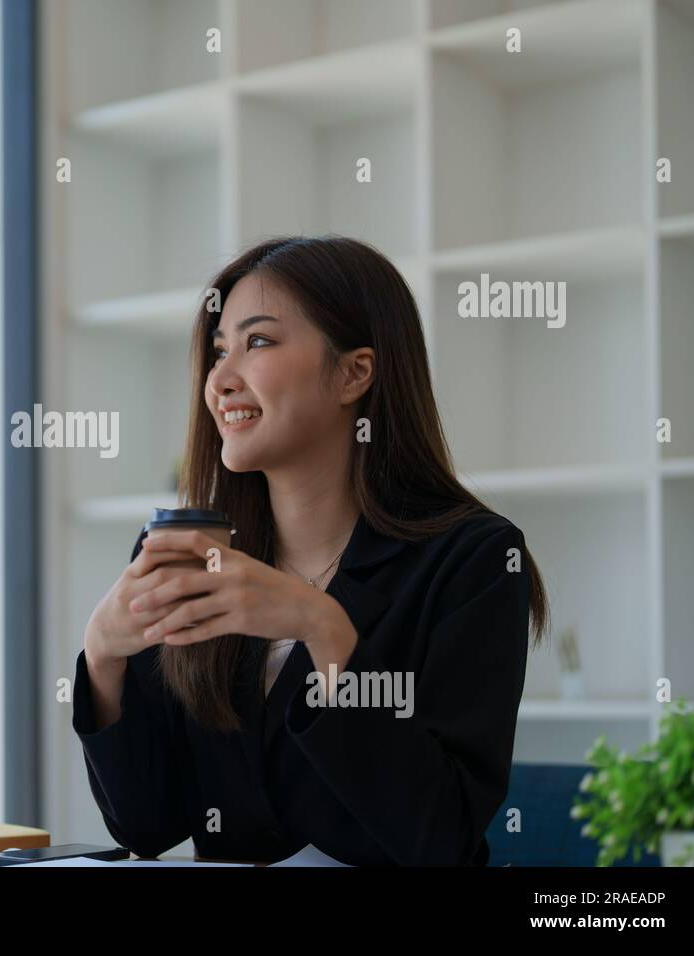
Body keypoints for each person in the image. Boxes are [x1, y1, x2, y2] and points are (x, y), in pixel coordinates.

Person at [74, 235, 549, 866]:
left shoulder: (476, 560)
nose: (220, 379)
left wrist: (324, 629)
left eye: (259, 342)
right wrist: (102, 656)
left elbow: (440, 837)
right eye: (219, 352)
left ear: (354, 372)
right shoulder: (191, 550)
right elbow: (149, 826)